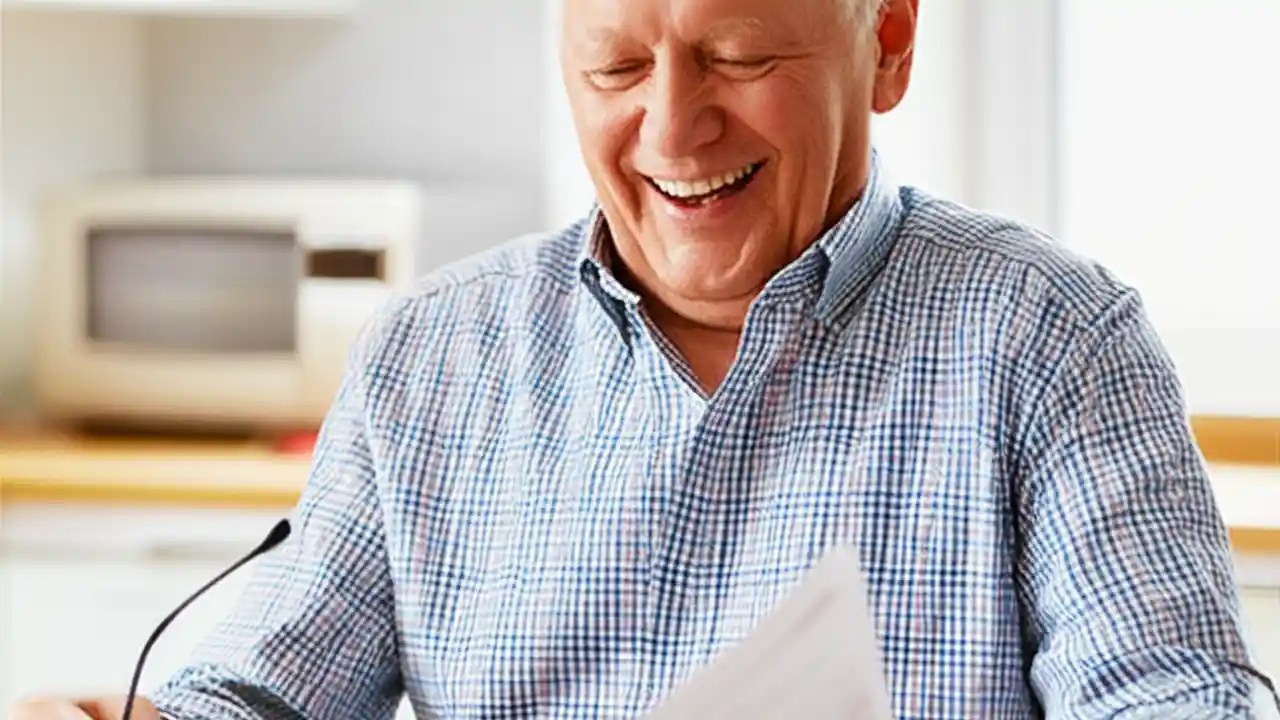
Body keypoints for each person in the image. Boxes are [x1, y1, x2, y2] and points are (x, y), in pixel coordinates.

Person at [12, 0, 1270, 717]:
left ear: (884, 40)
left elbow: (1168, 704)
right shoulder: (429, 359)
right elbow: (270, 695)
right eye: (617, 65)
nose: (672, 127)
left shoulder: (1054, 341)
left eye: (738, 56)